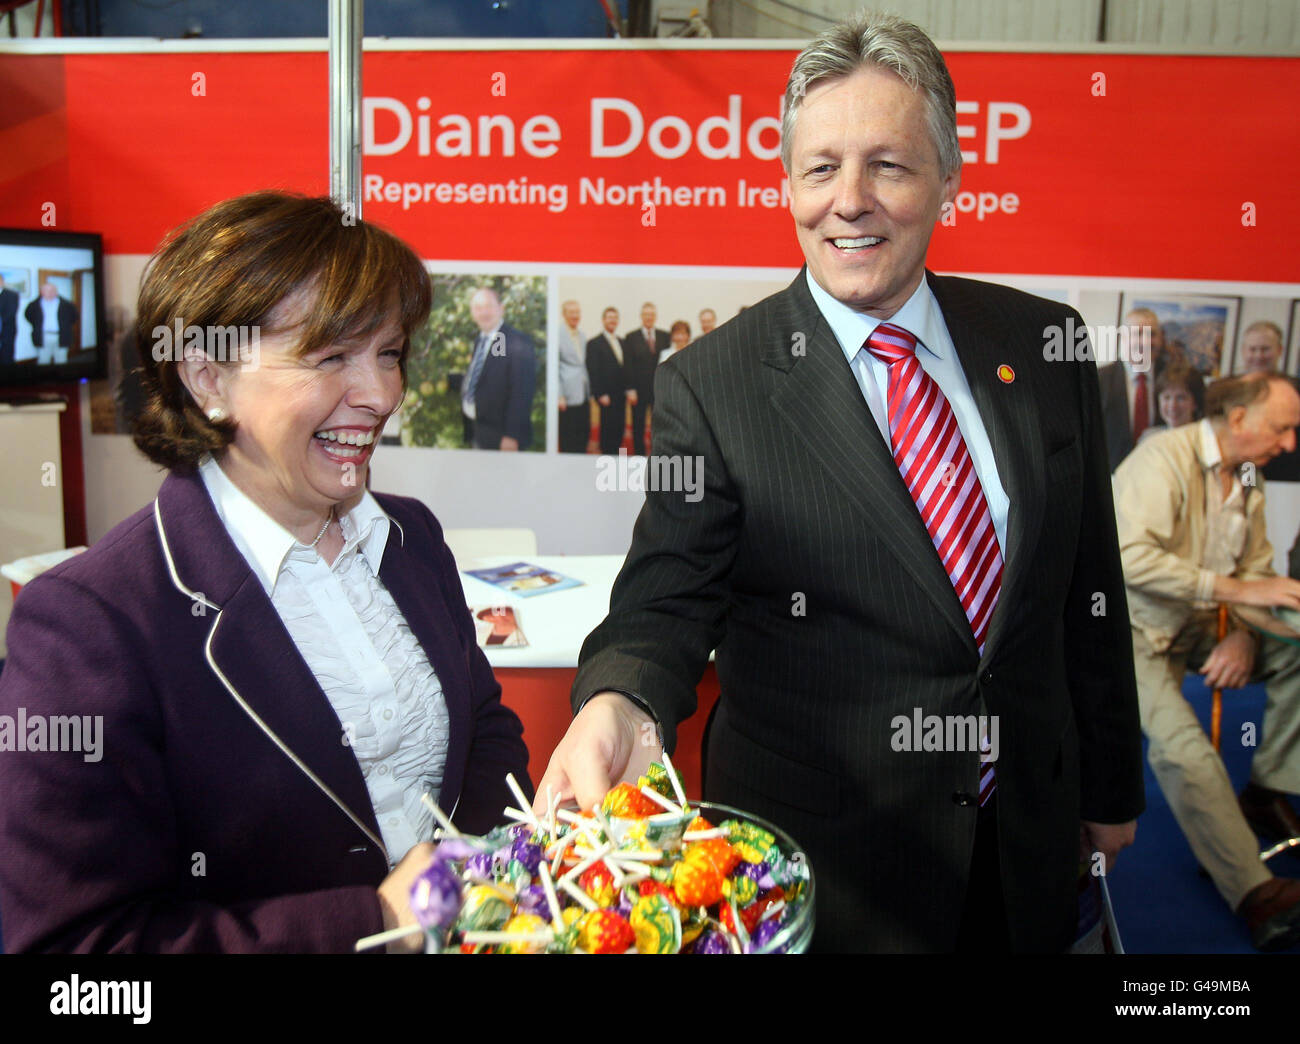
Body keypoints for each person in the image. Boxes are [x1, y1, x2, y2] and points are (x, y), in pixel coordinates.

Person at [536, 12, 1143, 953]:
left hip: (1026, 837)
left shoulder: (1044, 345)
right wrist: (621, 700)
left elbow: (1087, 591)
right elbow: (664, 598)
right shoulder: (716, 385)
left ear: (949, 178)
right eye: (820, 168)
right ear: (786, 186)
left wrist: (1107, 786)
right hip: (832, 869)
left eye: (888, 166)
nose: (848, 201)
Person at [0, 191, 530, 953]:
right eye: (331, 356)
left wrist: (489, 883)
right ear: (209, 379)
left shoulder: (409, 537)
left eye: (388, 353)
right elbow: (78, 963)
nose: (381, 396)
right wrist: (377, 925)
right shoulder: (92, 626)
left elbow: (482, 727)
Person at [1113, 372, 1300, 950]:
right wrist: (1239, 595)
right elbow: (1126, 556)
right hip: (1131, 632)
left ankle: (1268, 789)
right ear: (1239, 418)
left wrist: (1242, 631)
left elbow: (1257, 570)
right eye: (1283, 427)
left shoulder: (1249, 473)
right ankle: (1256, 893)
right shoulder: (1161, 458)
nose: (1291, 443)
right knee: (1183, 748)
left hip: (1203, 621)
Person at [460, 286, 536, 451]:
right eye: (478, 308)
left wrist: (512, 436)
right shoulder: (480, 340)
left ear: (501, 309)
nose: (484, 312)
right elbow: (486, 378)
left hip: (502, 438)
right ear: (472, 313)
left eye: (489, 306)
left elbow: (522, 392)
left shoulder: (517, 342)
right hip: (478, 432)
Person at [1098, 308, 1165, 471]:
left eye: (1153, 334)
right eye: (1139, 334)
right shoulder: (1099, 379)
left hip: (1158, 476)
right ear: (1124, 338)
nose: (1146, 341)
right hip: (1112, 479)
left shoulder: (1173, 379)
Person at [624, 302, 667, 456]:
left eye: (651, 314)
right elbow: (627, 365)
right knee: (638, 425)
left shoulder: (664, 336)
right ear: (641, 317)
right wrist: (630, 389)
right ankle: (639, 456)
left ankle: (658, 455)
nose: (649, 317)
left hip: (658, 391)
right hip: (638, 391)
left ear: (655, 317)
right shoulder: (630, 337)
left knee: (659, 426)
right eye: (646, 314)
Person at [586, 306, 628, 455]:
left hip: (620, 396)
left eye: (615, 318)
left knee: (619, 430)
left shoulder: (622, 341)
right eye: (609, 317)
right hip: (606, 396)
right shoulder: (594, 343)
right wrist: (600, 393)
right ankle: (606, 458)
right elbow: (593, 371)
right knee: (608, 432)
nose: (612, 320)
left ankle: (616, 458)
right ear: (603, 320)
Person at [1136, 360, 1205, 444]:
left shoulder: (1206, 440)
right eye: (1167, 398)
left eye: (1180, 398)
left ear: (1195, 403)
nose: (1172, 405)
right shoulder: (1148, 438)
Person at [556, 298, 591, 453]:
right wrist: (559, 395)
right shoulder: (557, 334)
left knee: (583, 434)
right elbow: (554, 368)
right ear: (564, 315)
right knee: (568, 438)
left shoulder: (582, 335)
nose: (575, 316)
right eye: (571, 312)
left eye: (577, 312)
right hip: (567, 397)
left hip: (583, 393)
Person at [24, 280, 79, 364]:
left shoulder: (67, 304)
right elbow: (28, 316)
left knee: (61, 360)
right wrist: (37, 325)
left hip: (62, 336)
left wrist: (65, 326)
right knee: (43, 360)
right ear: (41, 292)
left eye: (53, 290)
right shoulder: (33, 305)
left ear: (56, 291)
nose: (51, 293)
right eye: (48, 290)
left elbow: (74, 317)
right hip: (43, 336)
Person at [0, 273, 18, 365]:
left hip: (6, 333)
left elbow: (10, 313)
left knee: (6, 358)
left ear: (2, 281)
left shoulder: (12, 295)